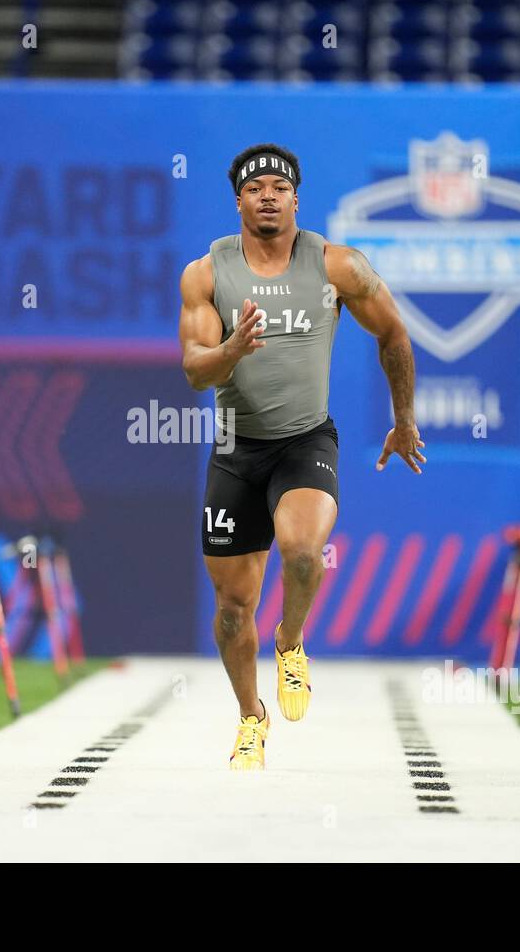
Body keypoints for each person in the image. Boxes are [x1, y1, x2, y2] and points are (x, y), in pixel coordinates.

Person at [178, 143, 425, 769]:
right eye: (254, 186)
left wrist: (403, 421)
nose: (267, 194)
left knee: (304, 552)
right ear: (238, 200)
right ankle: (250, 718)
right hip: (236, 448)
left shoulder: (337, 265)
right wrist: (231, 350)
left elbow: (394, 332)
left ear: (296, 198)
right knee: (234, 612)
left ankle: (291, 640)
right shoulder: (206, 274)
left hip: (305, 440)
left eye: (278, 187)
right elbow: (193, 372)